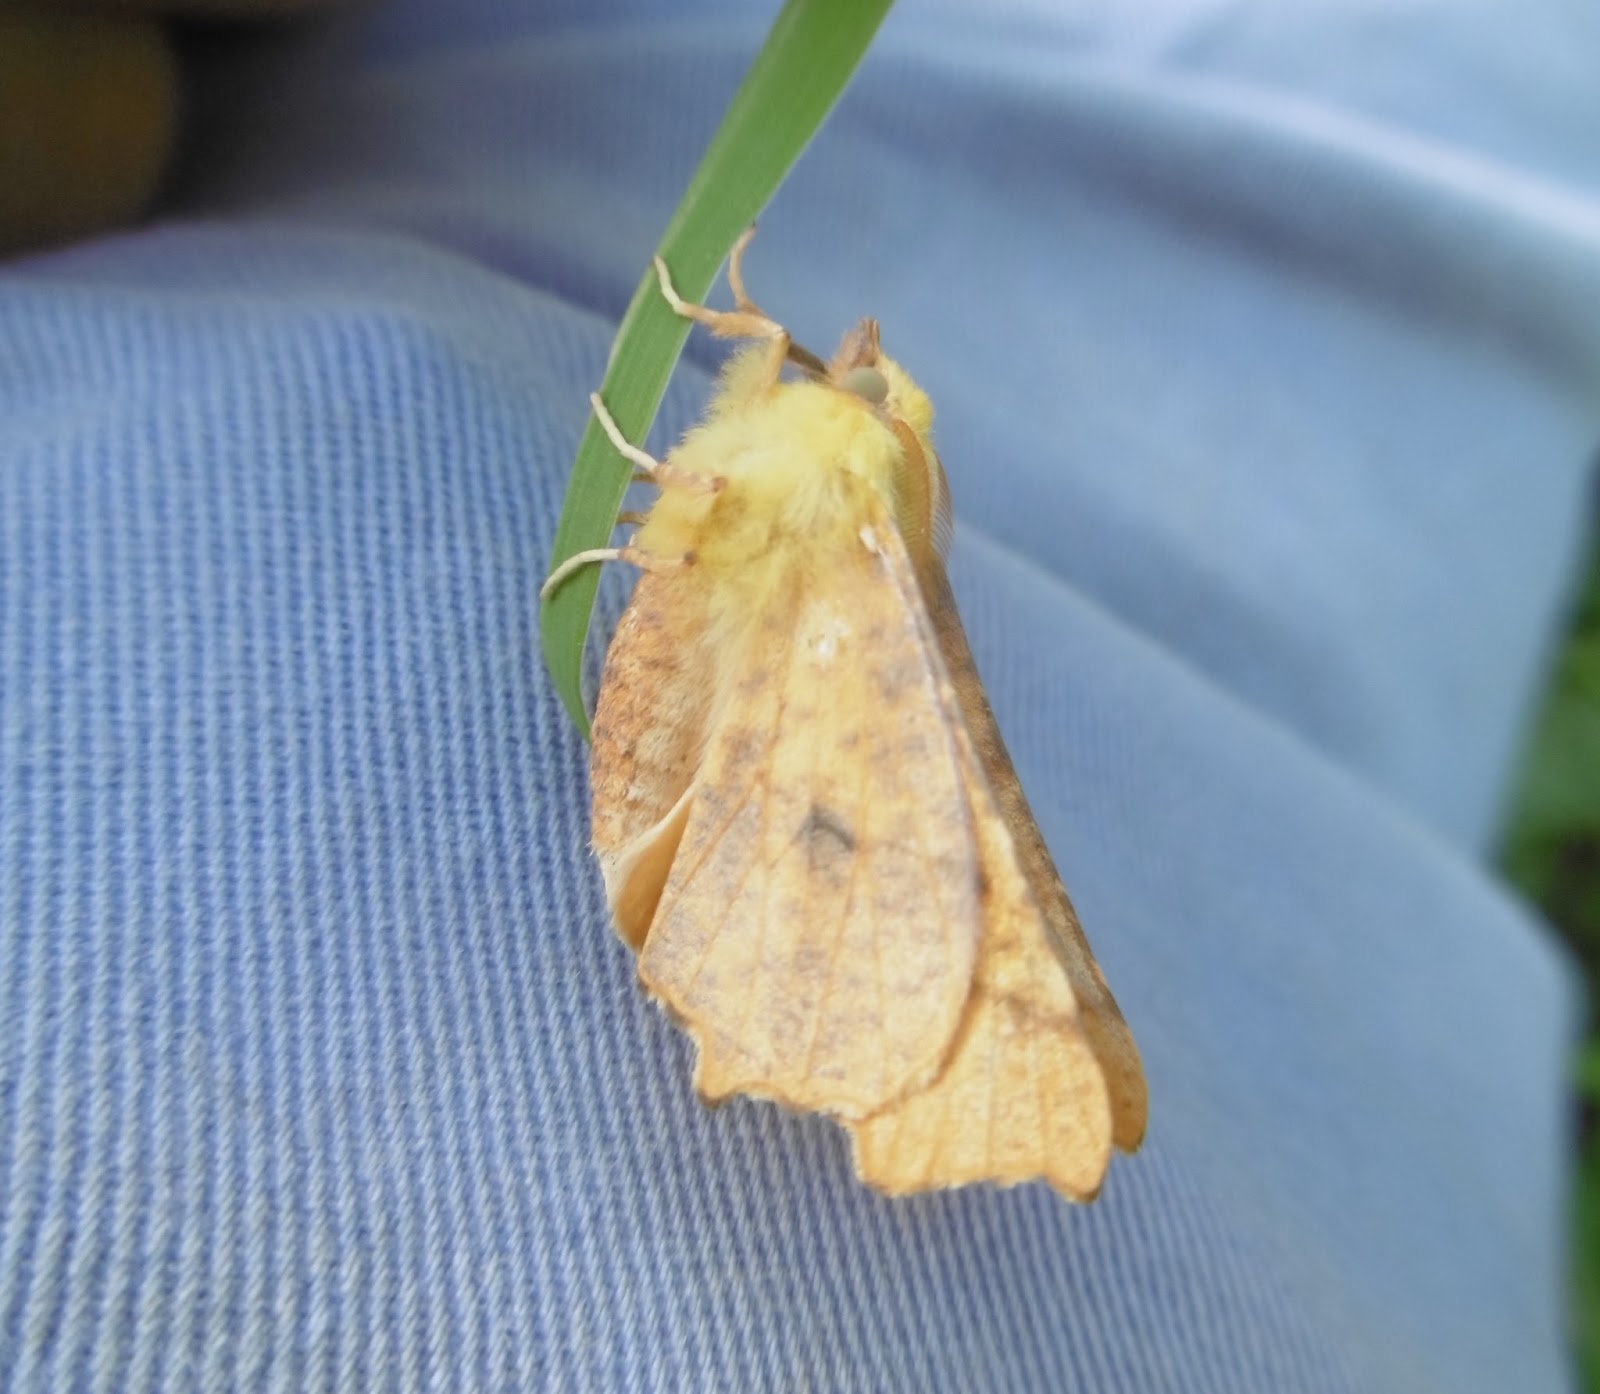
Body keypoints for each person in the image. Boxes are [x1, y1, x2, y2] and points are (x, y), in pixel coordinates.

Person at [1, 1, 1591, 1388]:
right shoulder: (825, 444)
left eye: (864, 382)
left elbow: (705, 453)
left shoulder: (824, 465)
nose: (856, 361)